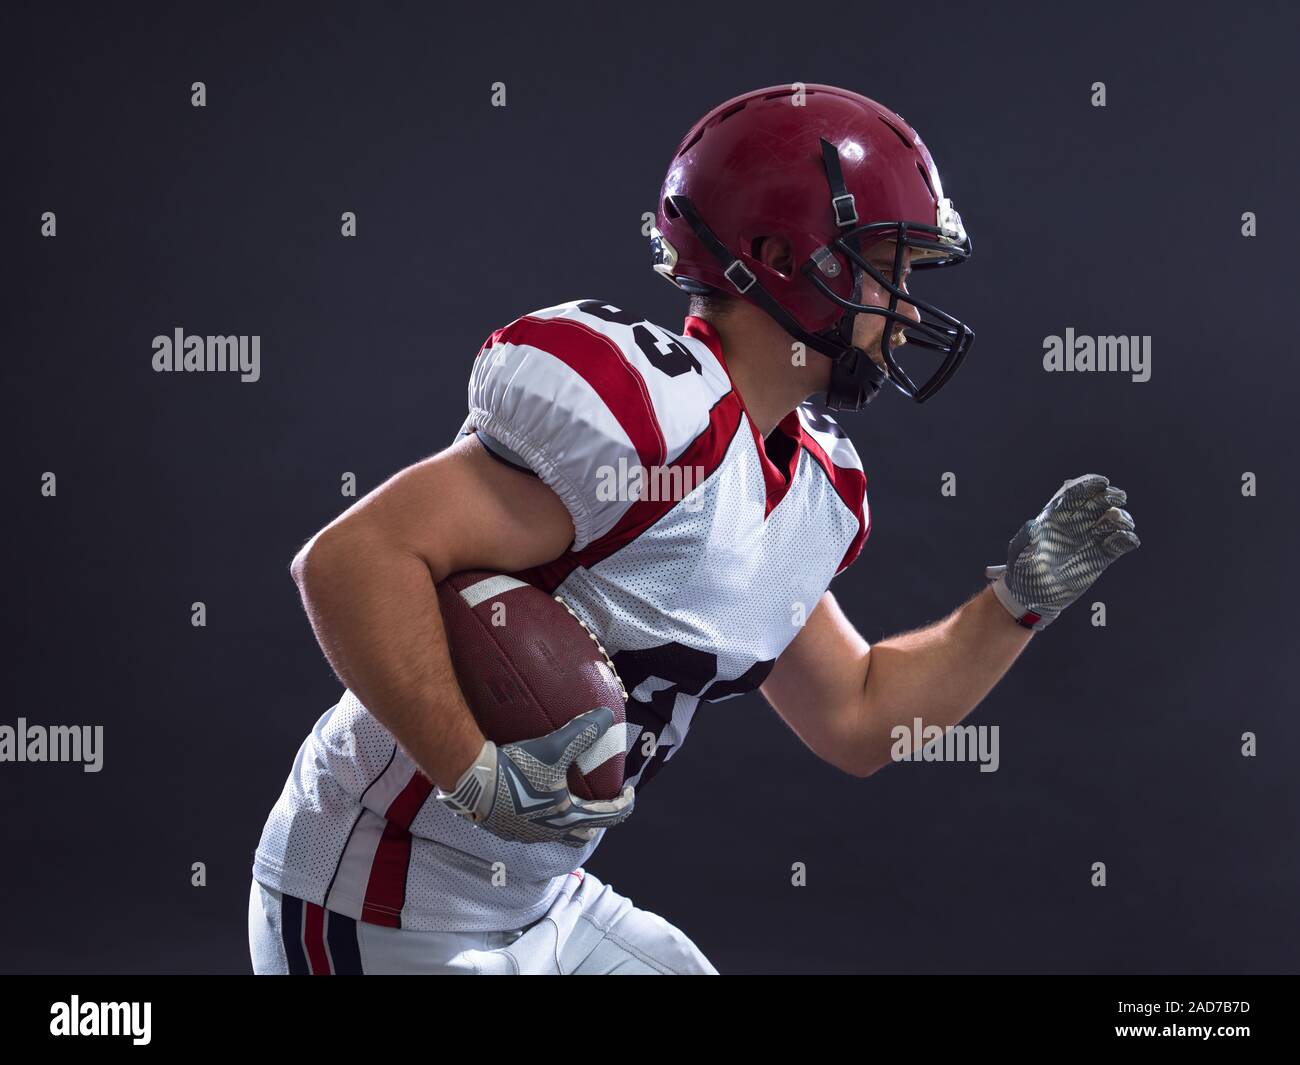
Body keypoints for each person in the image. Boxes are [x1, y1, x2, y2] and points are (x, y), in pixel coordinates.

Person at [248, 83, 1139, 975]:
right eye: (886, 267)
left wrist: (1016, 603)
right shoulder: (649, 419)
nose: (907, 309)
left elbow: (860, 715)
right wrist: (473, 770)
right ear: (784, 256)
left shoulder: (806, 481)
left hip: (538, 902)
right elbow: (350, 558)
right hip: (375, 896)